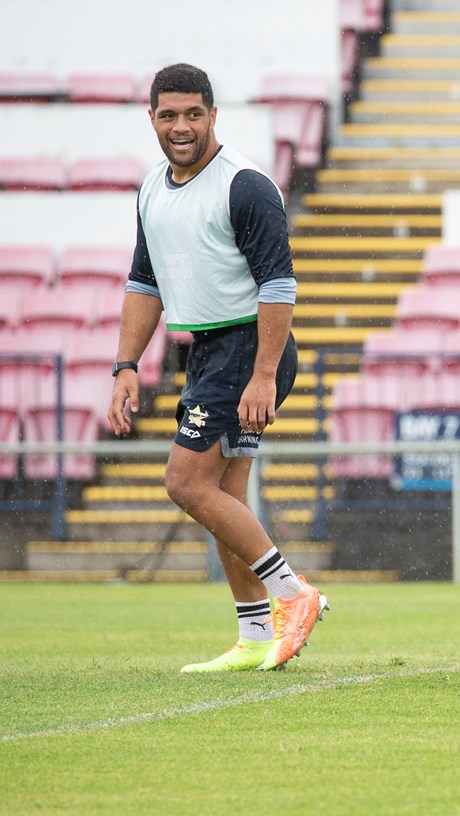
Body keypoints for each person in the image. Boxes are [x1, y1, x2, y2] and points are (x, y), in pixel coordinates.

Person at [107, 63, 327, 673]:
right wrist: (127, 364)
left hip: (248, 349)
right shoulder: (152, 188)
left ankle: (294, 595)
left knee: (186, 483)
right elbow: (144, 283)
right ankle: (256, 634)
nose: (181, 126)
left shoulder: (246, 186)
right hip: (205, 350)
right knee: (225, 495)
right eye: (168, 115)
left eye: (193, 114)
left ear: (212, 116)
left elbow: (279, 286)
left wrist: (262, 374)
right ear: (150, 118)